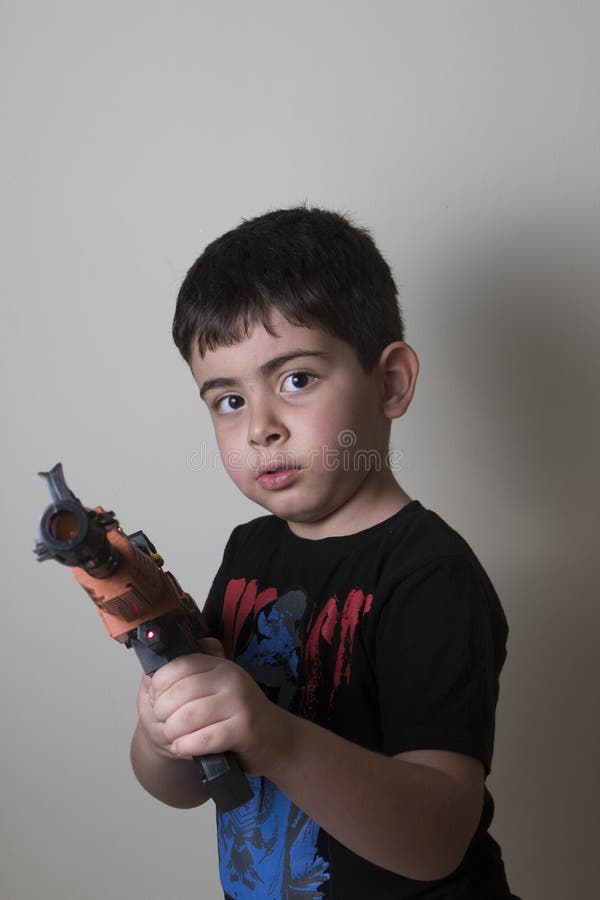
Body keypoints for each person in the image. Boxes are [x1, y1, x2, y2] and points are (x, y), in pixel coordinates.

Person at [130, 206, 518, 899]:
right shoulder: (248, 553)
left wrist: (276, 738)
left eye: (296, 379)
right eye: (226, 399)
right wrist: (163, 735)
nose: (260, 429)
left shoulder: (430, 575)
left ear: (390, 382)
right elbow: (189, 789)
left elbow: (437, 840)